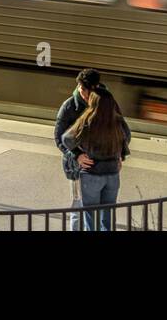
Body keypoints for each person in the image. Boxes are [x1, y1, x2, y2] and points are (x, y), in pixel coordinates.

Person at [61, 87, 131, 231]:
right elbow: (127, 137)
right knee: (108, 215)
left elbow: (66, 139)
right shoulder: (117, 120)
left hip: (91, 173)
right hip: (112, 173)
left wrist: (78, 154)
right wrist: (118, 155)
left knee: (90, 216)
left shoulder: (87, 119)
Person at [54, 68, 101, 231]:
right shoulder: (69, 107)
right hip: (77, 166)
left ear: (95, 88)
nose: (83, 94)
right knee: (78, 206)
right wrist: (77, 155)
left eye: (86, 91)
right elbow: (59, 137)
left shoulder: (106, 103)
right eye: (81, 89)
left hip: (100, 163)